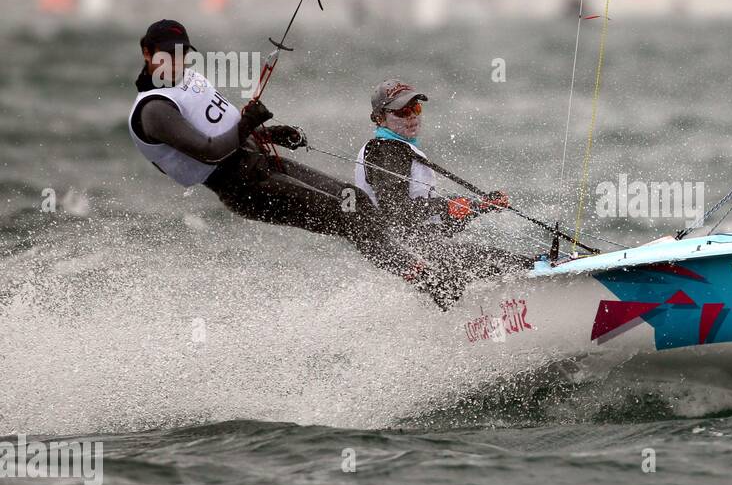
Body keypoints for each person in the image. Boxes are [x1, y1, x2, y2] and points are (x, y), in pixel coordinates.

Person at [126, 20, 484, 307]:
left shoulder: (189, 81)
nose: (173, 61)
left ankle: (434, 261)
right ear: (147, 53)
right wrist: (249, 124)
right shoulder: (154, 109)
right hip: (244, 187)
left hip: (264, 163)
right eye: (165, 54)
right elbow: (210, 151)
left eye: (181, 53)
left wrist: (269, 133)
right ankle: (429, 281)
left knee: (354, 198)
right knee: (348, 217)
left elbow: (227, 127)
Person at [355, 79, 528, 288]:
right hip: (412, 256)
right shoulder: (386, 151)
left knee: (502, 261)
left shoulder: (394, 148)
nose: (411, 117)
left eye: (415, 108)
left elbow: (428, 223)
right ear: (380, 118)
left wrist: (478, 206)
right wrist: (448, 205)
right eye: (401, 112)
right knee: (509, 263)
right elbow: (395, 213)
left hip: (422, 248)